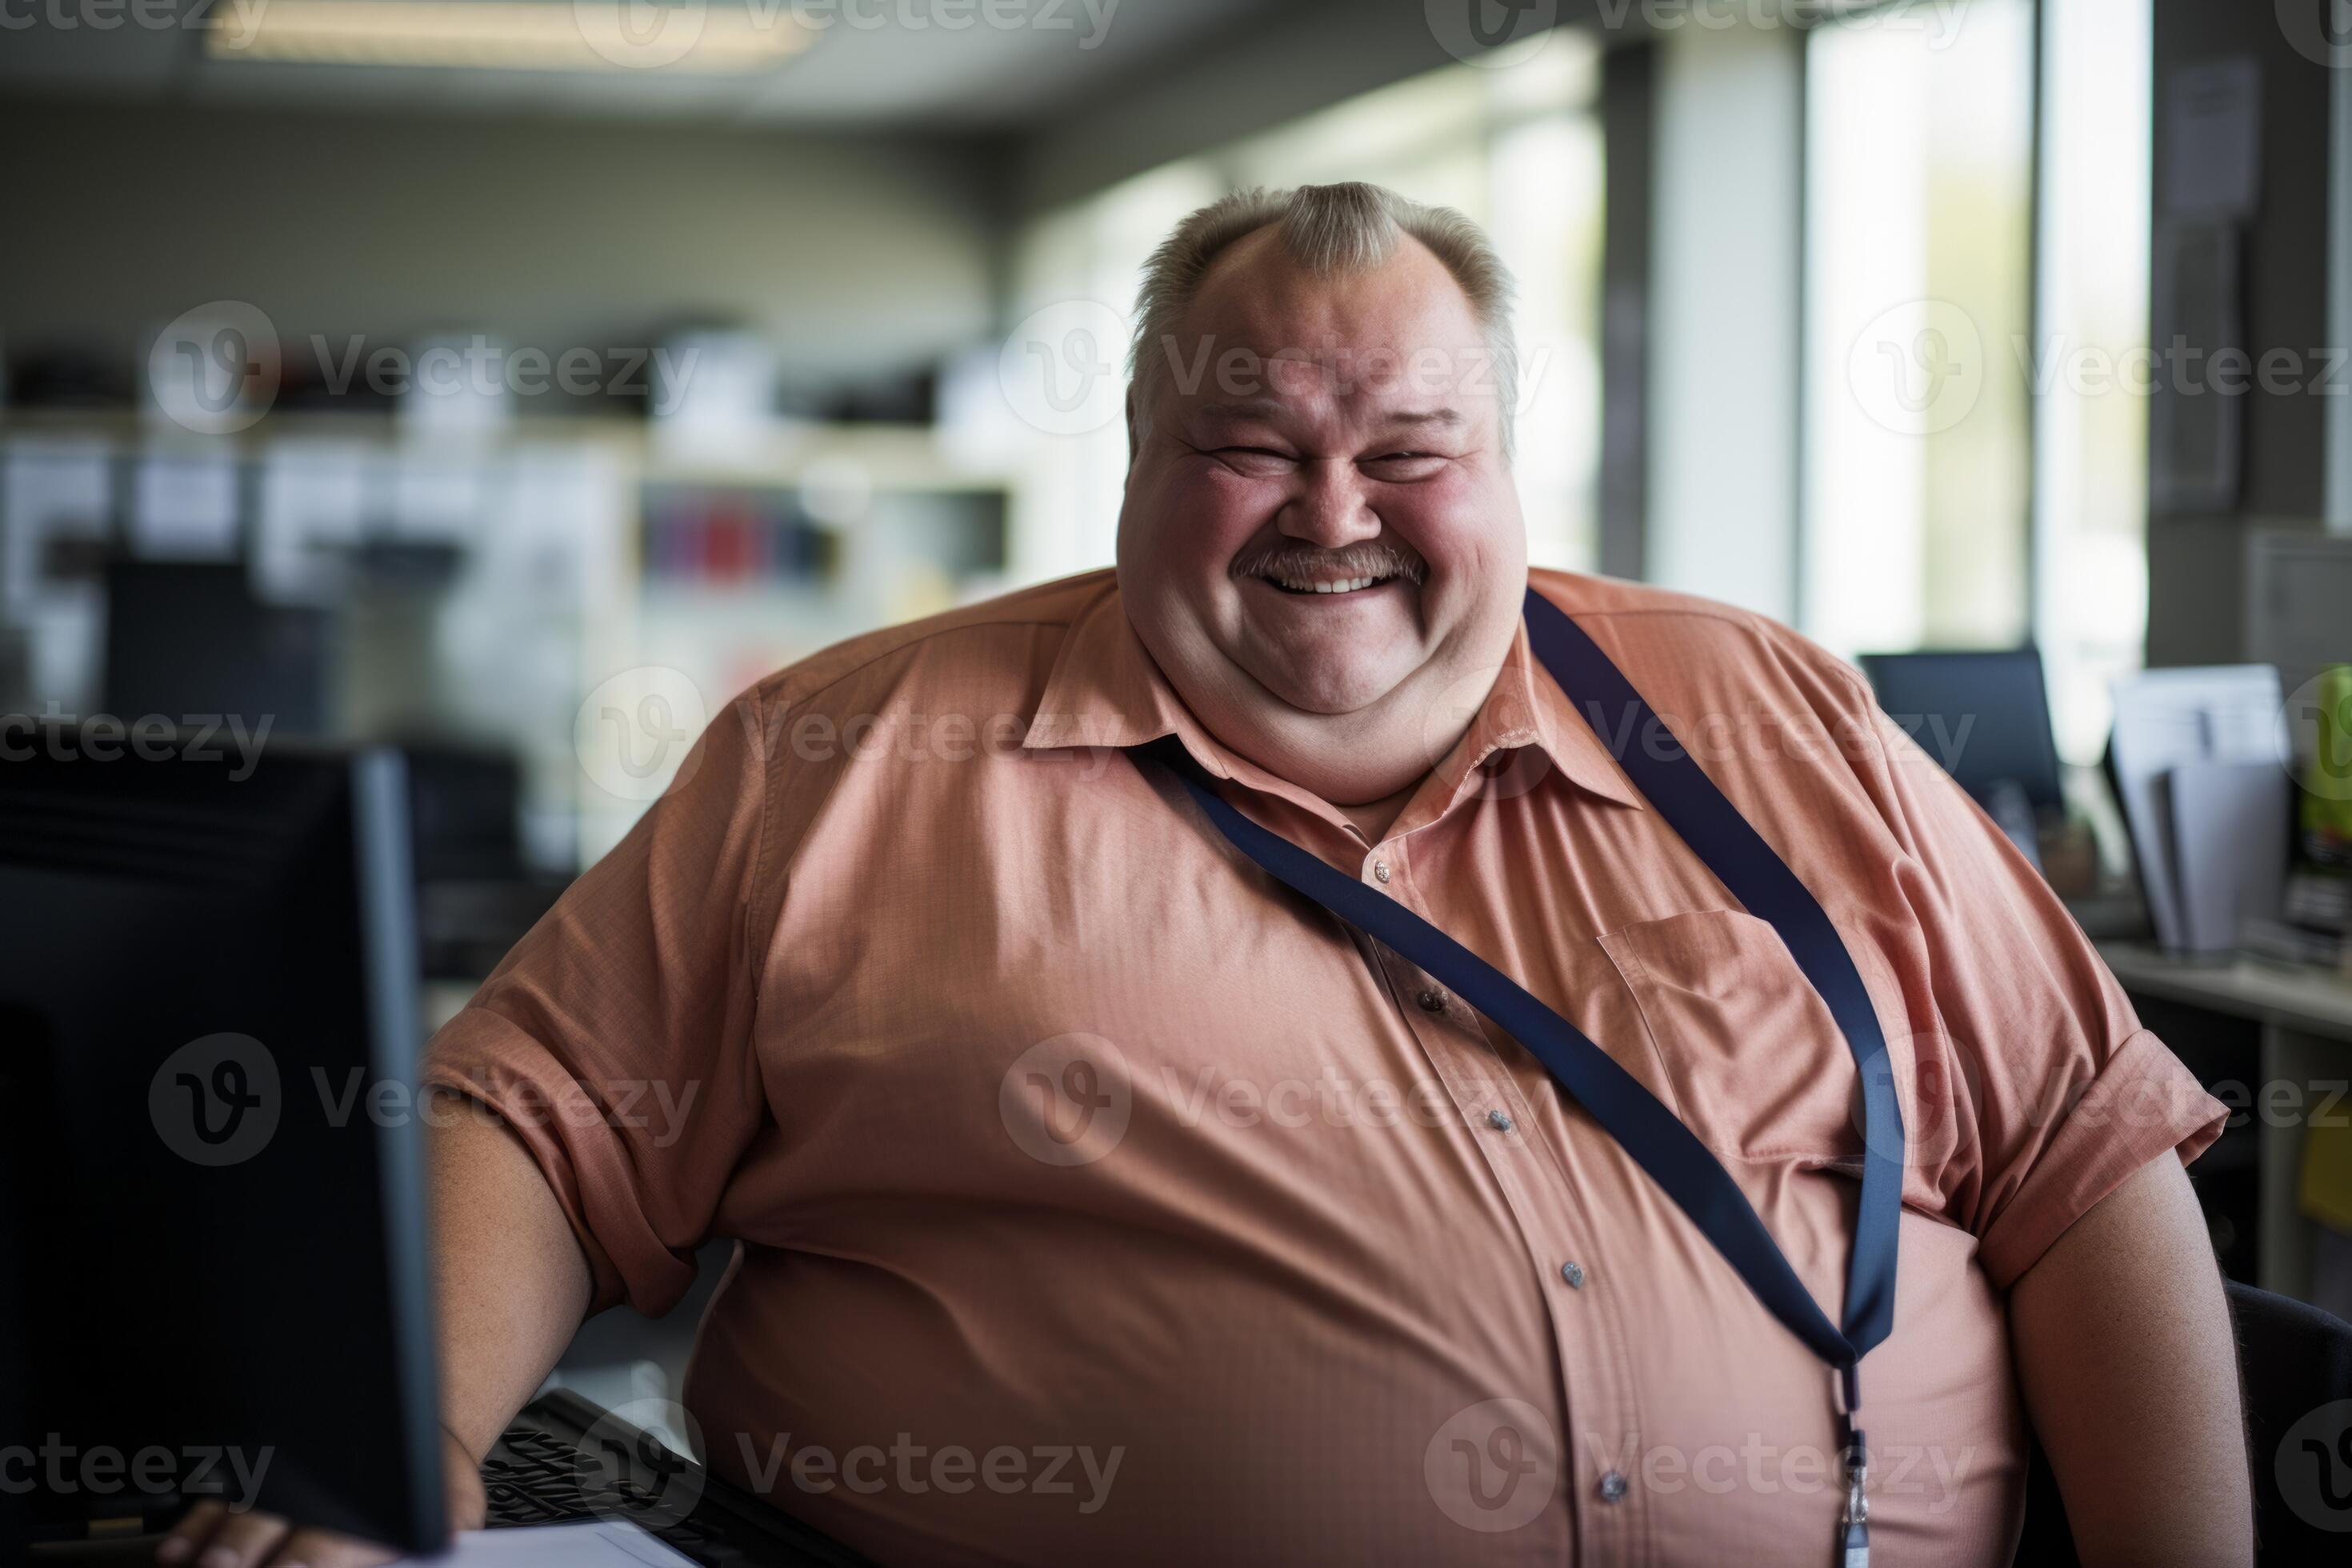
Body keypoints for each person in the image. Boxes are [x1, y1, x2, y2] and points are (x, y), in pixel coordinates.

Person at [162, 182, 2251, 1568]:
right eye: (1250, 441)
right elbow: (531, 1116)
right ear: (1140, 462)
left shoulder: (1768, 713)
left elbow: (2085, 1160)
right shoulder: (852, 757)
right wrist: (401, 1470)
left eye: (1412, 447)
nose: (1333, 509)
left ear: (1506, 467)